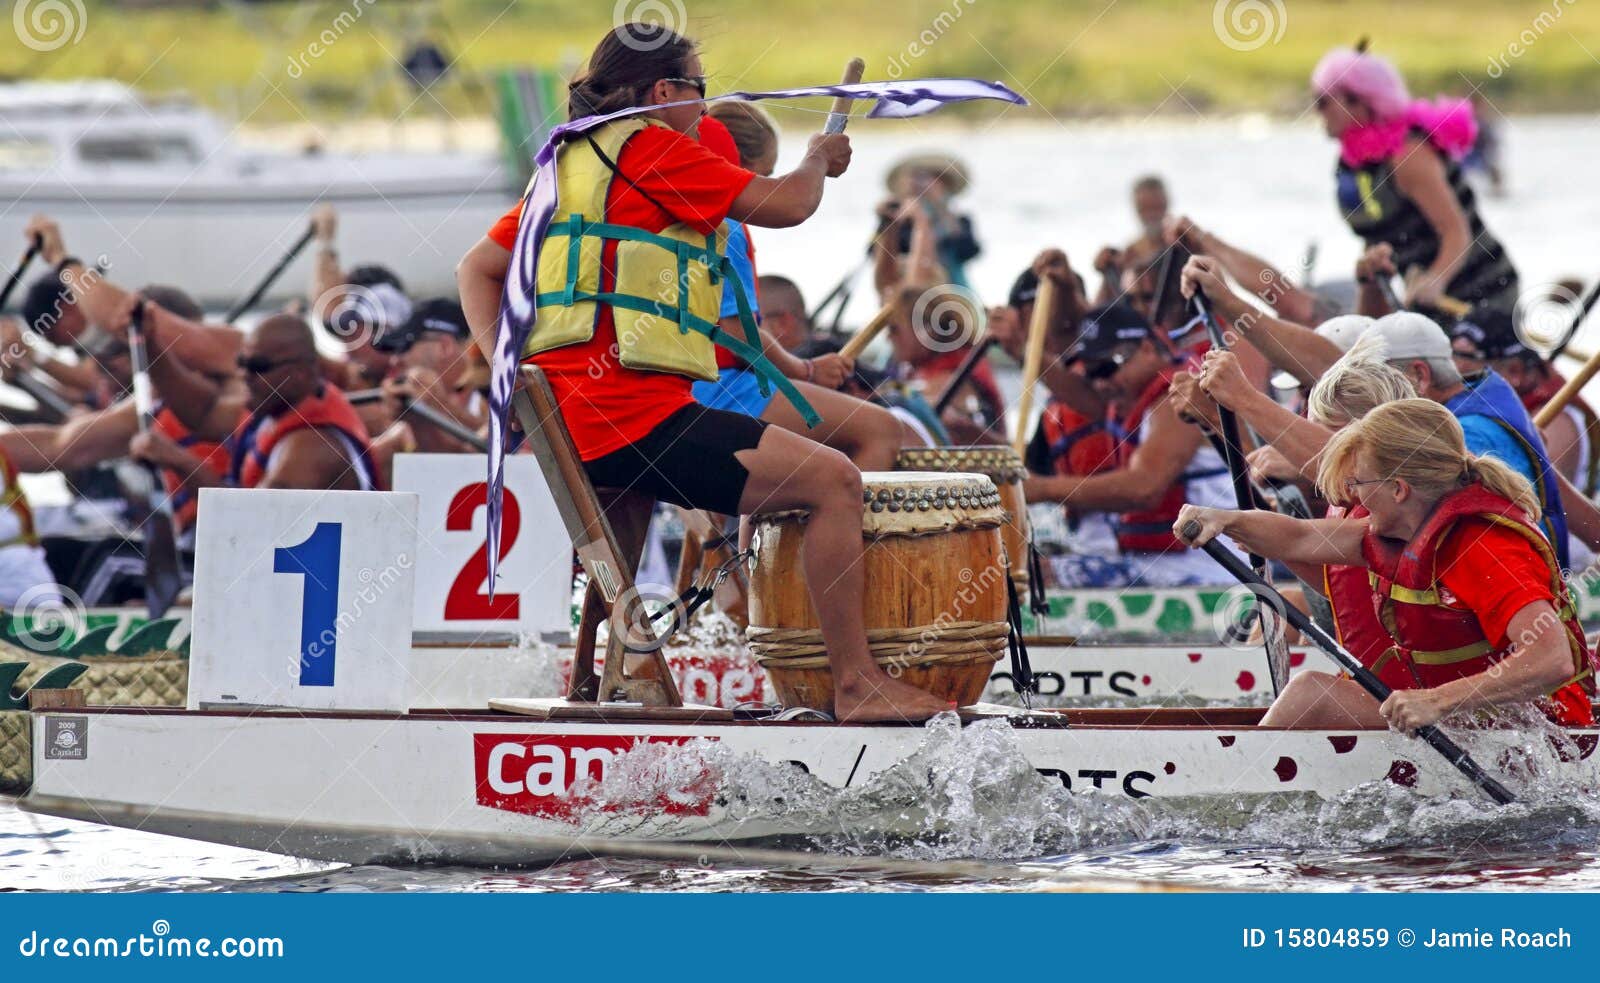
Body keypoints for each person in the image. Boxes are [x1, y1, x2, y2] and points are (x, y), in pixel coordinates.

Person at [455, 23, 950, 722]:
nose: (705, 108)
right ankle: (856, 682)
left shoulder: (567, 162)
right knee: (835, 481)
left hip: (575, 425)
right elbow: (791, 205)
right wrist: (817, 158)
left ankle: (599, 690)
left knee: (645, 536)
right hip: (634, 421)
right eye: (699, 90)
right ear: (665, 92)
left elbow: (473, 268)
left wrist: (509, 374)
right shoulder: (654, 147)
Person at [1177, 398, 1595, 732]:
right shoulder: (1399, 532)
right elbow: (1298, 536)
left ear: (1398, 489)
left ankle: (1234, 781)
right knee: (1311, 693)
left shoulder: (1484, 549)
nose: (1350, 496)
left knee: (1310, 696)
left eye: (1358, 482)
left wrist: (1437, 701)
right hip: (1471, 719)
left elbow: (1551, 659)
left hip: (1544, 733)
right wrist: (1223, 519)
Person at [690, 111, 905, 470]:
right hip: (719, 391)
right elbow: (736, 333)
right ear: (740, 167)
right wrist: (805, 370)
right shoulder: (725, 226)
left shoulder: (679, 216)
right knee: (882, 430)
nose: (767, 186)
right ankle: (843, 523)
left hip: (693, 385)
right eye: (766, 175)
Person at [1023, 302, 1239, 587]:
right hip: (1157, 565)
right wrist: (1021, 349)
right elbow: (1071, 389)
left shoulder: (1181, 397)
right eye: (1091, 374)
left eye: (1107, 368)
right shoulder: (1129, 401)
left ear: (1147, 349)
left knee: (1036, 577)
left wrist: (1041, 489)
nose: (1100, 383)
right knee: (1028, 566)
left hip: (1203, 571)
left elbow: (1145, 489)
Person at [1311, 45, 1518, 312]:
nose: (1317, 111)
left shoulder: (1408, 157)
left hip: (1482, 295)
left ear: (1360, 103)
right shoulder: (1356, 166)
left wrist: (1435, 281)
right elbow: (1377, 237)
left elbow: (1455, 231)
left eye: (1323, 101)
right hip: (1423, 300)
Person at [144, 313, 381, 492]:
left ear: (301, 373)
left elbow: (248, 520)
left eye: (258, 366)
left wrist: (177, 460)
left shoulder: (310, 448)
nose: (244, 375)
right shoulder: (278, 405)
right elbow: (205, 414)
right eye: (241, 362)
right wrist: (149, 345)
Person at [379, 298, 488, 454]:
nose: (395, 359)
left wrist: (437, 406)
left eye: (406, 345)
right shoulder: (407, 423)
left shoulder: (492, 390)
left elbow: (505, 449)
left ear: (445, 346)